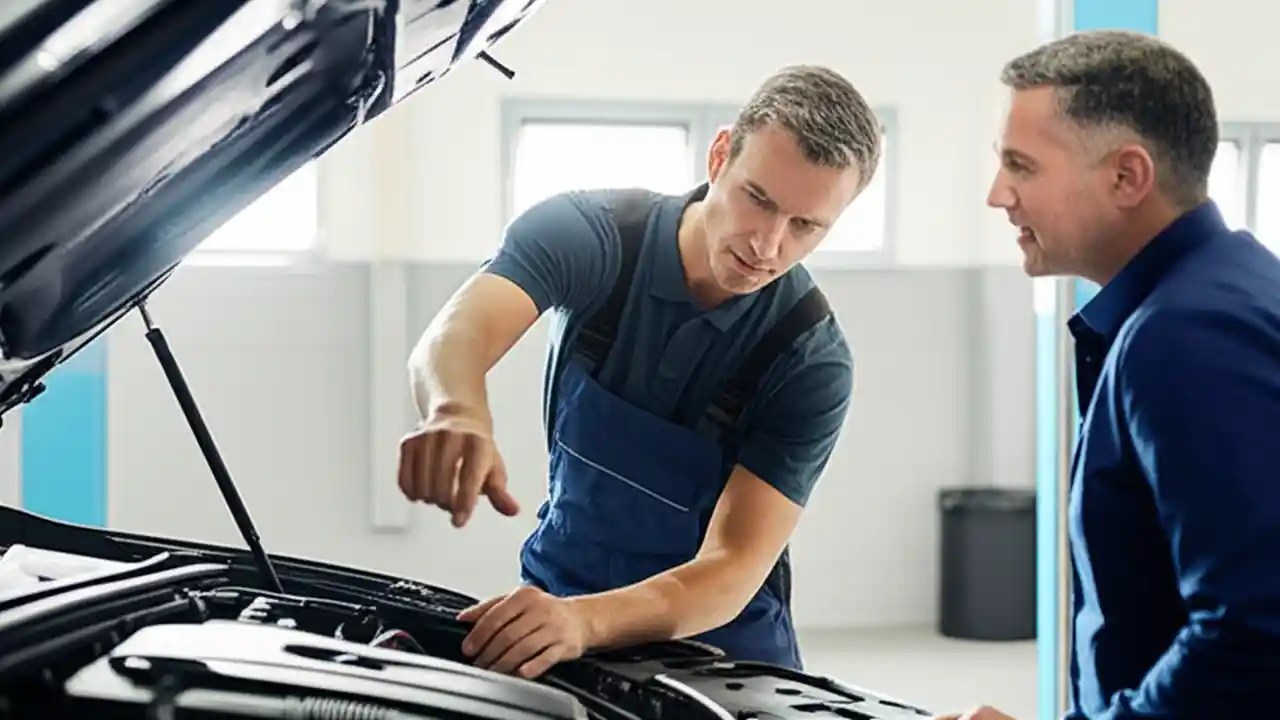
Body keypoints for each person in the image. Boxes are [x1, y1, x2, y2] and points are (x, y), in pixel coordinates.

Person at [397, 65, 882, 679]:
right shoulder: (591, 235)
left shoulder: (810, 358)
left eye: (805, 226)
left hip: (719, 649)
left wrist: (586, 623)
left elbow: (732, 565)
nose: (767, 244)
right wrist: (455, 409)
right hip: (559, 596)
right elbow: (458, 331)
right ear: (720, 155)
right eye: (757, 199)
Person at [930, 30, 1280, 720]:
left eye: (1021, 166)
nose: (999, 195)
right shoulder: (1224, 289)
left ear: (1127, 176)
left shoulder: (1188, 334)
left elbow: (1258, 629)